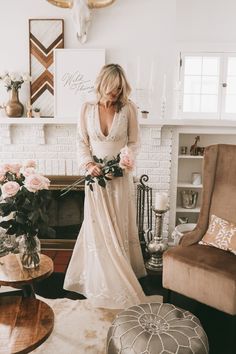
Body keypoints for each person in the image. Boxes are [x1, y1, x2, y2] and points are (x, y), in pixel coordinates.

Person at [64, 63, 147, 309]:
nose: (115, 93)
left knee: (118, 228)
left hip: (120, 181)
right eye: (112, 88)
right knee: (98, 229)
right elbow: (81, 141)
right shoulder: (86, 109)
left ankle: (122, 276)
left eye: (120, 88)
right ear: (102, 84)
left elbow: (134, 142)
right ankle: (98, 279)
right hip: (95, 180)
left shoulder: (129, 108)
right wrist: (88, 165)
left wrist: (123, 161)